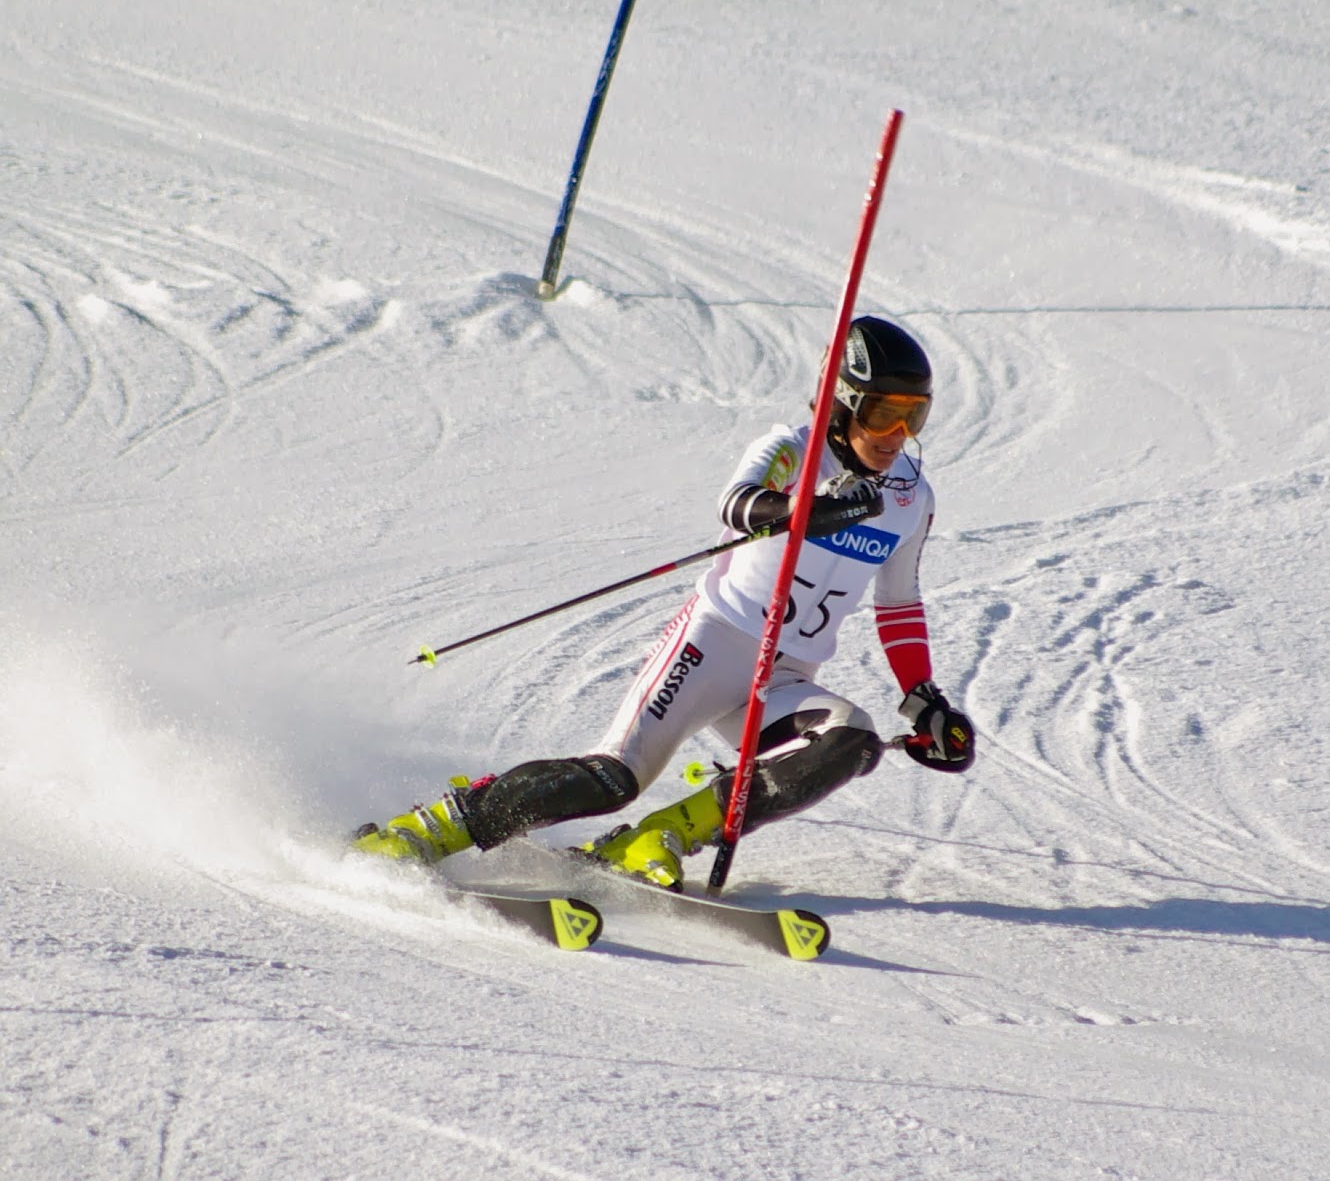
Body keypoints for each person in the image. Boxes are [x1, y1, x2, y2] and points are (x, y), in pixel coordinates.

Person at [350, 315, 975, 890]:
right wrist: (797, 509)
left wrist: (923, 700)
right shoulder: (793, 449)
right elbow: (736, 501)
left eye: (913, 418)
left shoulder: (911, 498)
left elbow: (899, 604)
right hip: (712, 647)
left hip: (782, 678)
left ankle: (657, 838)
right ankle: (431, 828)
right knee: (612, 779)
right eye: (882, 414)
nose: (896, 435)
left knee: (851, 740)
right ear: (841, 403)